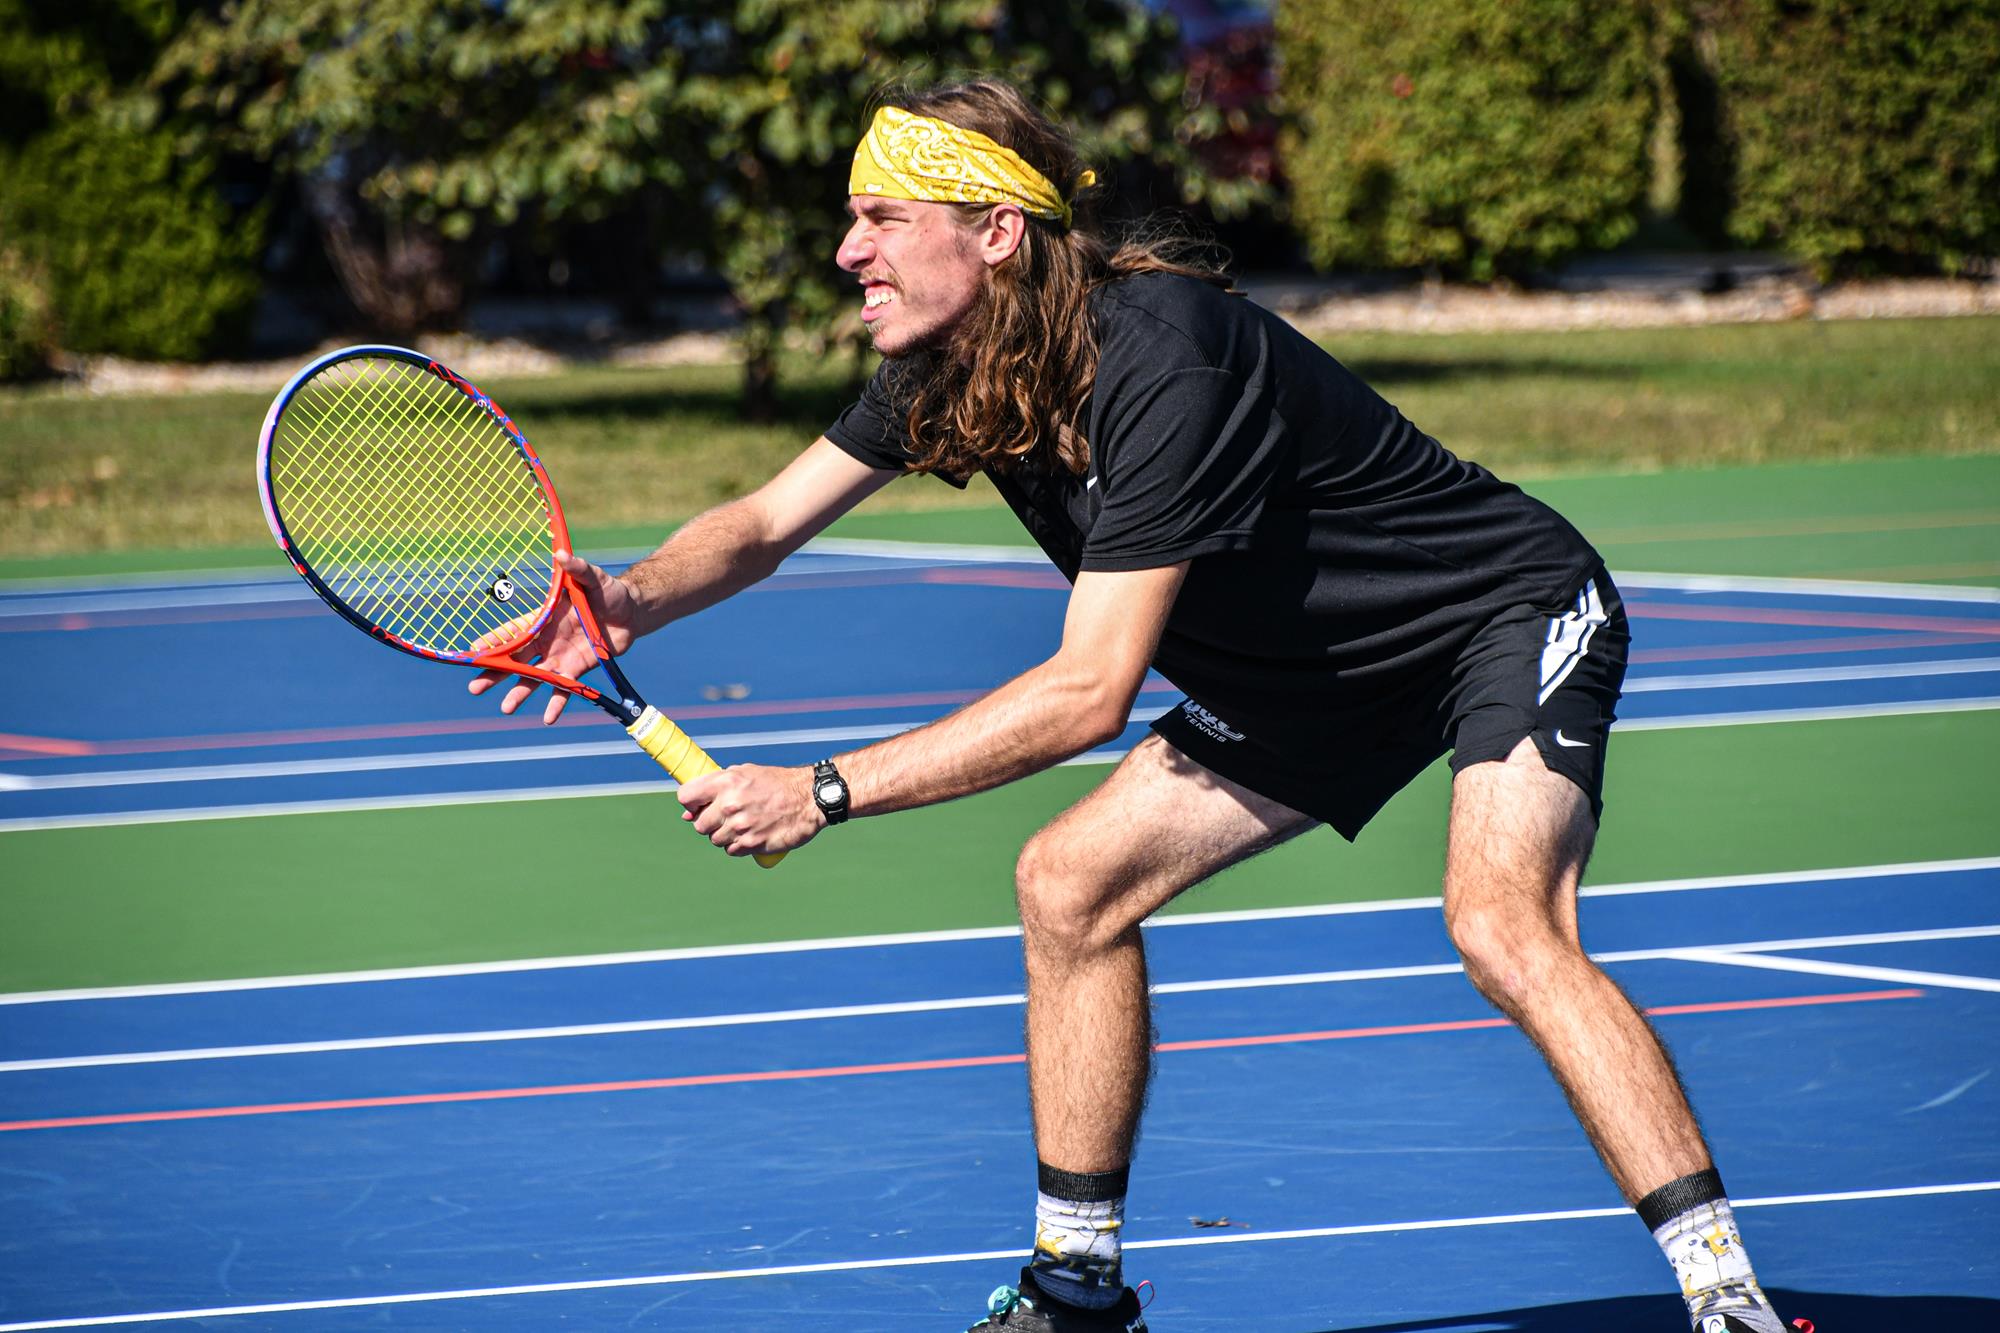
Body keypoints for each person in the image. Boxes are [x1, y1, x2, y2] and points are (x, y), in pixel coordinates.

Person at [471, 79, 1800, 1333]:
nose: (845, 253)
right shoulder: (951, 364)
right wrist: (623, 601)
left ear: (995, 234)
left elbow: (1087, 690)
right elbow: (763, 522)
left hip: (1493, 619)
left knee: (1501, 918)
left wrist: (823, 789)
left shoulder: (1163, 361)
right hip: (1303, 681)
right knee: (1069, 881)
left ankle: (1728, 1298)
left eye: (880, 220)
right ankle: (1080, 1288)